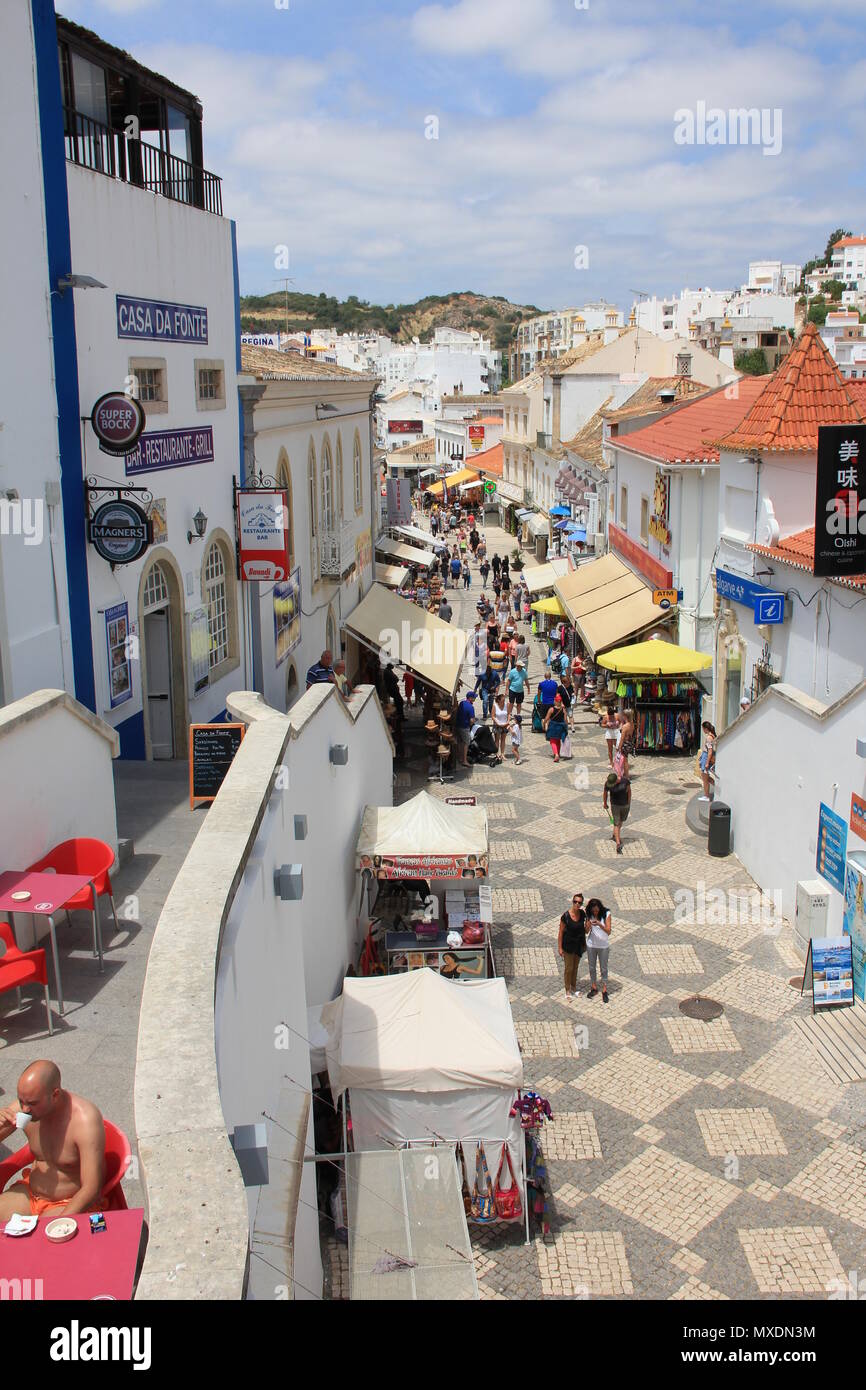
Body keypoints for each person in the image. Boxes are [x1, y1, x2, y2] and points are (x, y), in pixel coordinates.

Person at [0, 1062, 105, 1219]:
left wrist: (60, 1223)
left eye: (32, 1103)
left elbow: (91, 1188)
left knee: (42, 1240)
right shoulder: (25, 1108)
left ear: (55, 1095)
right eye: (21, 1100)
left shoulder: (84, 1121)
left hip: (67, 1202)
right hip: (30, 1192)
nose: (25, 1109)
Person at [558, 893, 586, 998]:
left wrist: (589, 923)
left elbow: (585, 930)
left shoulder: (582, 914)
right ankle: (567, 990)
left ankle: (574, 988)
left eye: (579, 902)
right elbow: (560, 932)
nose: (577, 904)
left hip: (578, 945)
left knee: (575, 967)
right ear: (572, 902)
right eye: (575, 902)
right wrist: (560, 948)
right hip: (568, 946)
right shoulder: (565, 916)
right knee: (568, 968)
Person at [584, 898, 612, 1002]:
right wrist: (588, 925)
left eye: (597, 910)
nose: (595, 912)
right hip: (591, 945)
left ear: (600, 908)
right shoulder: (588, 914)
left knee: (603, 968)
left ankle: (604, 989)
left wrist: (600, 924)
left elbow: (608, 931)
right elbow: (586, 932)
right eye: (593, 911)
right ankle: (594, 987)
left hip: (603, 945)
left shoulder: (606, 913)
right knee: (591, 967)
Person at [604, 768, 631, 854]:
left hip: (625, 805)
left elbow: (629, 791)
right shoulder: (608, 783)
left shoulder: (625, 781)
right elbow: (605, 793)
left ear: (617, 781)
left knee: (621, 821)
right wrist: (605, 803)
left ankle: (614, 835)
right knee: (616, 823)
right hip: (615, 805)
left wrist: (629, 802)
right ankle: (618, 843)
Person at [543, 693, 569, 762]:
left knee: (552, 741)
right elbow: (566, 720)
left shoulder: (551, 709)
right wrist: (566, 727)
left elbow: (546, 718)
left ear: (555, 701)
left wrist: (544, 723)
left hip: (553, 726)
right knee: (558, 740)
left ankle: (556, 754)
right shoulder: (563, 710)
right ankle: (558, 754)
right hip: (560, 727)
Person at [455, 691, 476, 767]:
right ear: (470, 698)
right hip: (465, 727)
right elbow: (472, 720)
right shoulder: (471, 707)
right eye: (474, 698)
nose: (474, 699)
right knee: (466, 743)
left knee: (460, 742)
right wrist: (471, 725)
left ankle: (460, 758)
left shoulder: (462, 703)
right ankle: (464, 760)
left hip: (458, 725)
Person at [699, 721, 717, 800]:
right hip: (705, 756)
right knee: (705, 777)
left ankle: (706, 796)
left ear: (705, 728)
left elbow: (710, 751)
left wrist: (706, 763)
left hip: (706, 757)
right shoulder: (712, 736)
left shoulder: (709, 738)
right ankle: (716, 787)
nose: (703, 730)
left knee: (705, 778)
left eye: (703, 728)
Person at [491, 688, 509, 762]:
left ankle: (502, 754)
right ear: (498, 700)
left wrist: (508, 721)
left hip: (504, 724)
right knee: (497, 740)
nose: (503, 702)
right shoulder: (495, 706)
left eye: (504, 700)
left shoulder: (506, 705)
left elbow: (508, 714)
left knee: (503, 740)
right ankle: (497, 754)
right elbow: (493, 716)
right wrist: (497, 723)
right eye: (502, 700)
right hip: (497, 725)